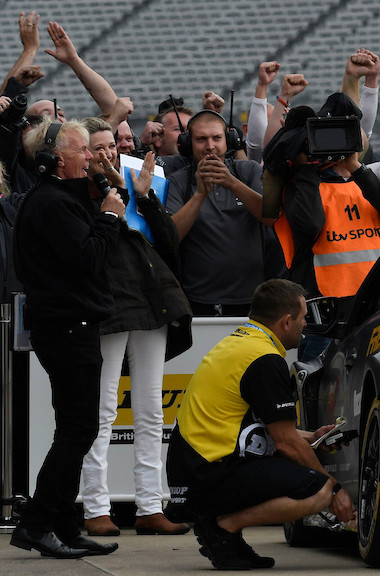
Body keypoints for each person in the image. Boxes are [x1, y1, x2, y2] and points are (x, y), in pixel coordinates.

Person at [166, 279, 355, 569]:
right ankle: (222, 526)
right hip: (208, 473)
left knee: (296, 469)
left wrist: (311, 436)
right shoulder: (264, 358)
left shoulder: (240, 342)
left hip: (195, 469)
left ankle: (227, 535)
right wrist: (335, 488)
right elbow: (285, 442)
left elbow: (256, 424)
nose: (306, 325)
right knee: (319, 491)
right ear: (286, 321)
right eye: (304, 318)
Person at [10, 117, 126, 559]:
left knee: (77, 428)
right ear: (58, 160)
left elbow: (113, 203)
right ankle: (37, 523)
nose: (93, 157)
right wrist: (110, 219)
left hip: (73, 325)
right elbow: (89, 258)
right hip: (67, 327)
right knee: (78, 430)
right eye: (84, 151)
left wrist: (106, 185)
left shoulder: (64, 197)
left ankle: (63, 523)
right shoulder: (52, 203)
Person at [80, 120, 191, 538]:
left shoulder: (137, 186)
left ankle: (149, 505)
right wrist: (106, 195)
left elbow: (168, 242)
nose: (109, 154)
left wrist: (143, 198)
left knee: (151, 410)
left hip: (150, 299)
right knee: (104, 410)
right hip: (108, 305)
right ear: (84, 153)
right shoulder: (81, 194)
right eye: (99, 148)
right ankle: (95, 506)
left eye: (112, 146)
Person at [264, 93, 380, 304]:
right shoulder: (300, 186)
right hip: (324, 302)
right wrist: (306, 168)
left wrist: (355, 167)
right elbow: (311, 224)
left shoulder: (365, 179)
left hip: (372, 297)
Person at [165, 109, 268, 316]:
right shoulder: (177, 181)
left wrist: (232, 183)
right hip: (198, 299)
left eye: (217, 138)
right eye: (201, 139)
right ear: (188, 144)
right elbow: (170, 237)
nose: (210, 146)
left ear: (228, 140)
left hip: (252, 297)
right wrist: (200, 195)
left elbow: (270, 217)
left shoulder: (249, 170)